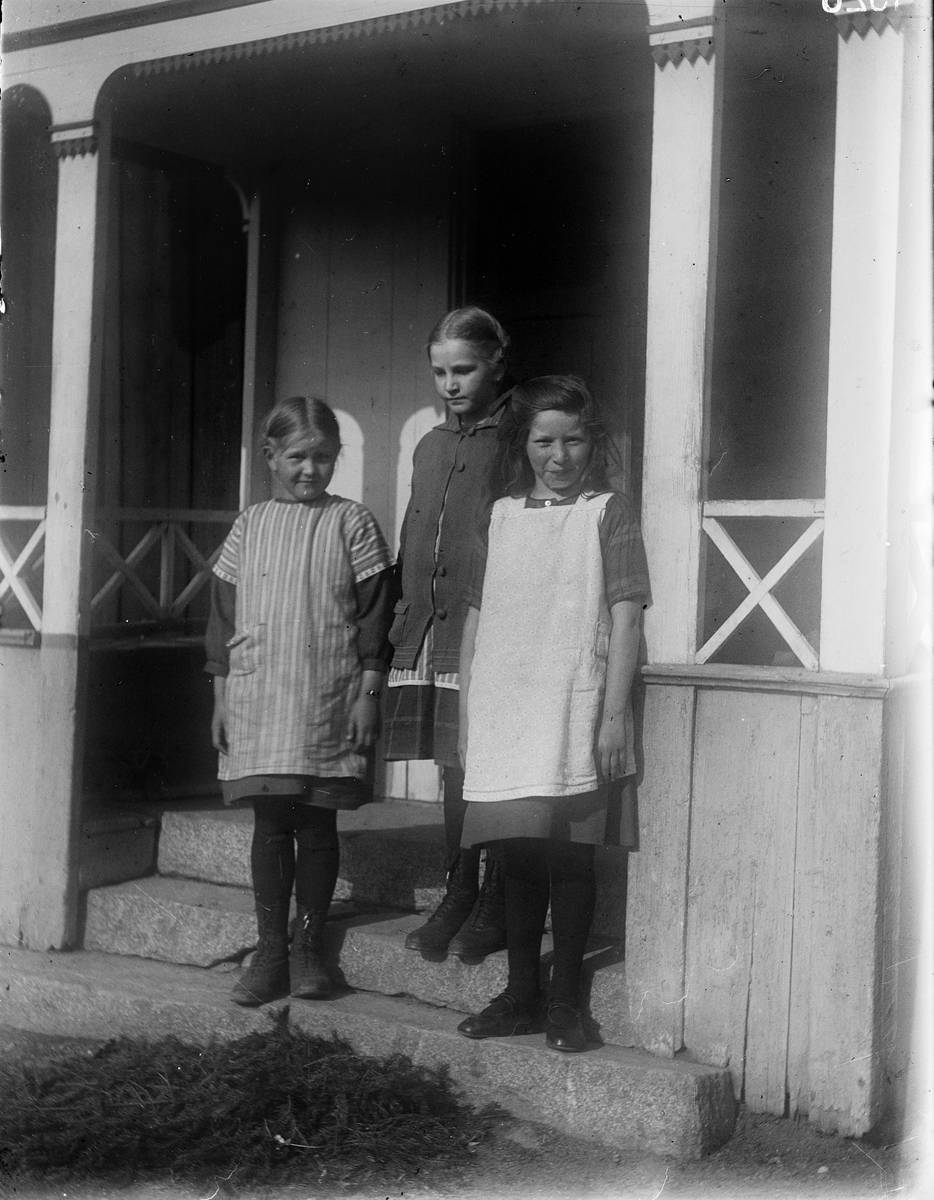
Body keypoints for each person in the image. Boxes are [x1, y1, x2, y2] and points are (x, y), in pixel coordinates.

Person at [455, 376, 650, 1052]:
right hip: (507, 707)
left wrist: (614, 715)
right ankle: (519, 994)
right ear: (524, 445)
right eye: (545, 441)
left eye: (573, 440)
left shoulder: (609, 512)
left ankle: (566, 1002)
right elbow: (476, 622)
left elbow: (626, 619)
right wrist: (468, 712)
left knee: (568, 859)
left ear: (591, 443)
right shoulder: (500, 515)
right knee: (516, 858)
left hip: (575, 705)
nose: (559, 456)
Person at [206, 396, 394, 1006]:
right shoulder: (249, 526)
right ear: (269, 457)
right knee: (270, 824)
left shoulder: (353, 523)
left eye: (322, 457)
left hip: (329, 697)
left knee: (316, 824)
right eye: (296, 457)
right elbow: (220, 625)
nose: (310, 470)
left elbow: (375, 622)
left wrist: (368, 695)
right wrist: (221, 698)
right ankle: (270, 952)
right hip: (260, 696)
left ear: (337, 458)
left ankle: (310, 948)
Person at [385, 306, 513, 959]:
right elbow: (414, 532)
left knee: (492, 768)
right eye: (440, 372)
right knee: (454, 768)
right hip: (435, 631)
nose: (451, 384)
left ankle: (494, 901)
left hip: (490, 630)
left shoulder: (515, 438)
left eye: (463, 369)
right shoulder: (431, 445)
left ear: (496, 361)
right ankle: (458, 891)